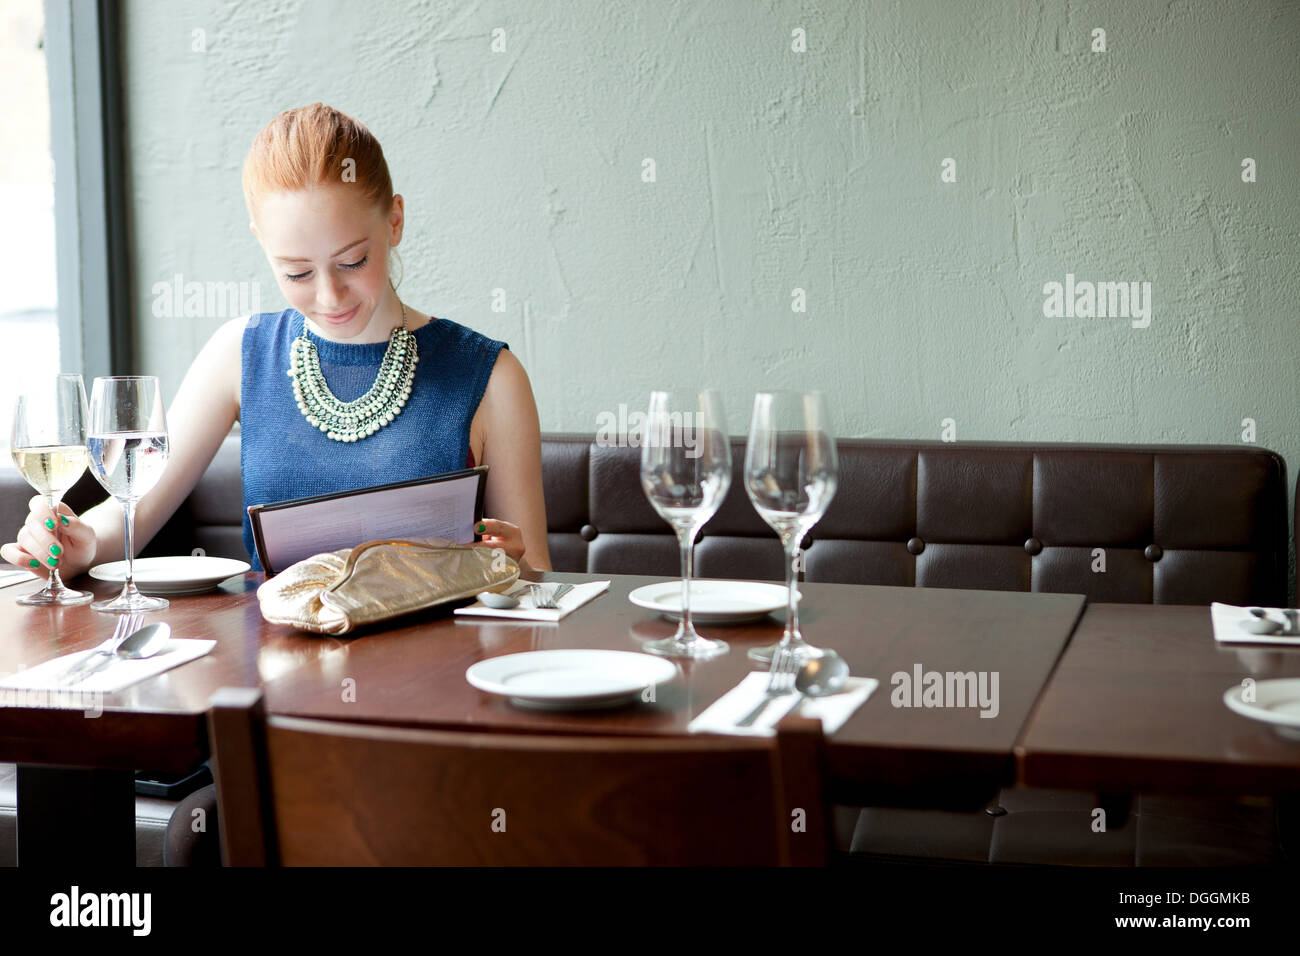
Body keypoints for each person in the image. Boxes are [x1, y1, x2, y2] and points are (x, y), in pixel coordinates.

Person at [2, 103, 551, 580]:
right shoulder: (237, 353)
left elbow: (540, 578)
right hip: (276, 676)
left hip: (428, 684)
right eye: (296, 273)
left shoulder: (491, 376)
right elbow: (133, 510)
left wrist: (513, 567)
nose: (331, 295)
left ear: (396, 220)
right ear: (262, 245)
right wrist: (81, 546)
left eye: (352, 261)